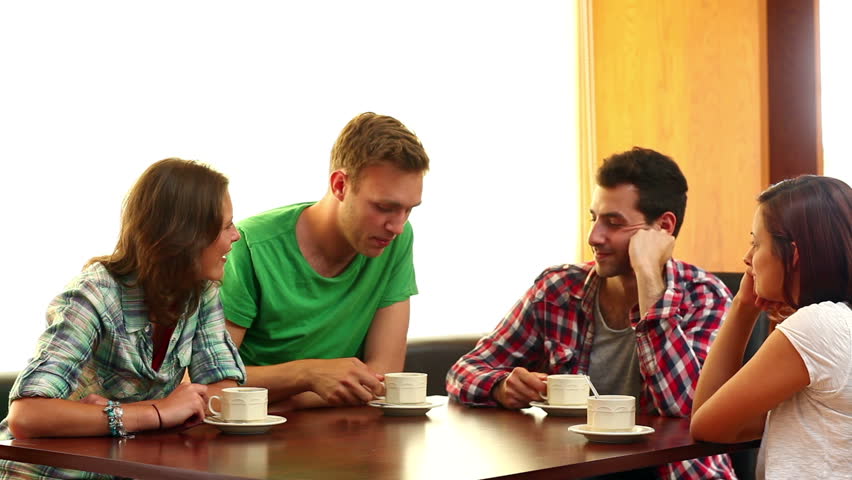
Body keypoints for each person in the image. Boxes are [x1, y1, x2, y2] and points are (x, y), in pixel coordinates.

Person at [446, 147, 737, 479]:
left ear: (664, 227)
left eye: (613, 223)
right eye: (594, 218)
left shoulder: (704, 297)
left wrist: (648, 278)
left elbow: (686, 409)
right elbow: (463, 371)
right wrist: (500, 386)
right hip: (578, 470)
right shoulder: (558, 290)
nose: (593, 236)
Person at [0, 158, 246, 480]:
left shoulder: (200, 292)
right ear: (185, 235)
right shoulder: (94, 293)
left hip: (127, 468)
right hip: (49, 472)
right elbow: (28, 416)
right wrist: (152, 412)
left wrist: (114, 415)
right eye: (226, 225)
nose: (237, 235)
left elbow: (223, 392)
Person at [221, 112, 429, 409]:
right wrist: (307, 374)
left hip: (342, 435)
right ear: (340, 185)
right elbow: (211, 383)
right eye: (385, 207)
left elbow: (384, 375)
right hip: (251, 441)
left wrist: (294, 399)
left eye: (409, 210)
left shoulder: (395, 239)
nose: (397, 226)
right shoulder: (248, 246)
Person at [691, 176, 852, 479]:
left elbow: (707, 426)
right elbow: (728, 423)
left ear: (793, 255)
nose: (747, 258)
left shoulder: (818, 327)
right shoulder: (841, 323)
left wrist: (742, 306)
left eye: (755, 243)